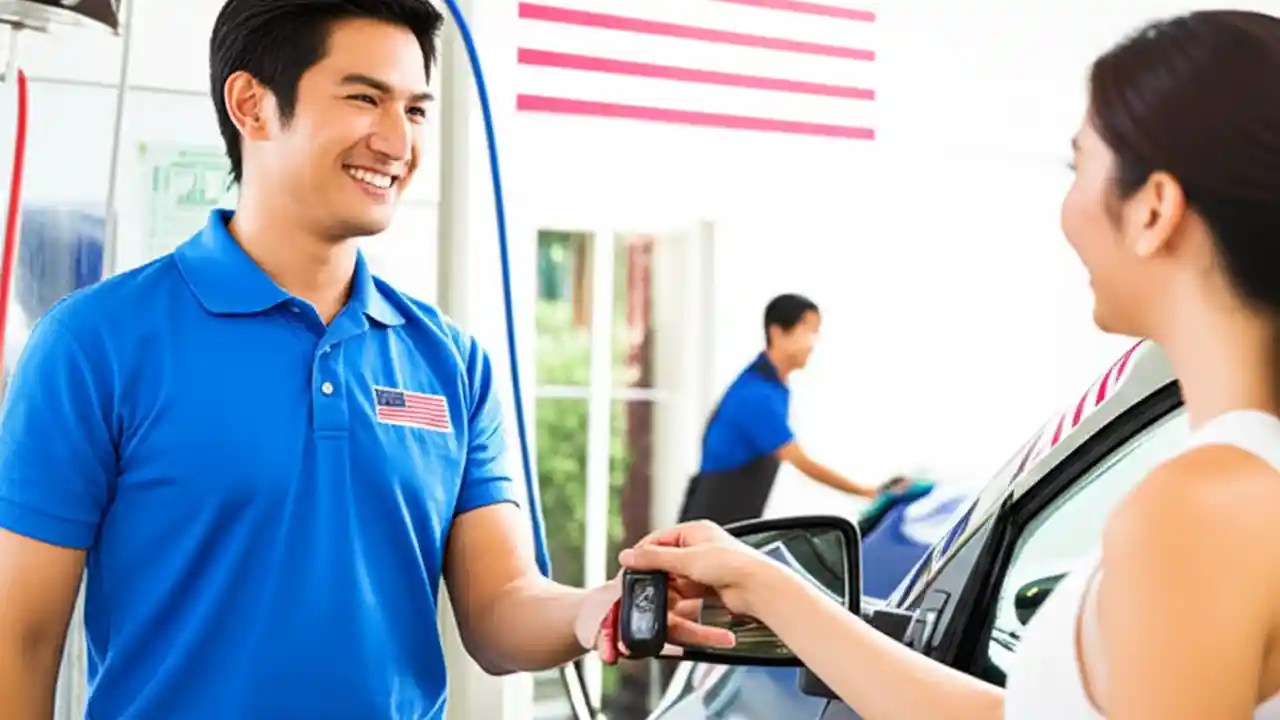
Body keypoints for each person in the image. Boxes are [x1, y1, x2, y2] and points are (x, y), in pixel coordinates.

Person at [0, 2, 731, 718]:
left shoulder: (449, 362)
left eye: (415, 110)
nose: (397, 141)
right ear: (251, 104)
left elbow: (499, 607)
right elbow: (20, 640)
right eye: (364, 99)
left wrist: (592, 611)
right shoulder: (96, 344)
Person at [621, 10, 1280, 720]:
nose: (1064, 212)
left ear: (1153, 210)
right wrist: (768, 588)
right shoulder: (1229, 493)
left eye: (1077, 165)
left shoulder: (1194, 511)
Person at [679, 293, 878, 526]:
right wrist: (866, 491)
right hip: (712, 524)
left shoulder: (773, 386)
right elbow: (801, 462)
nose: (814, 343)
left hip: (727, 523)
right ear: (778, 332)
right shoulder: (757, 394)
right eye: (809, 330)